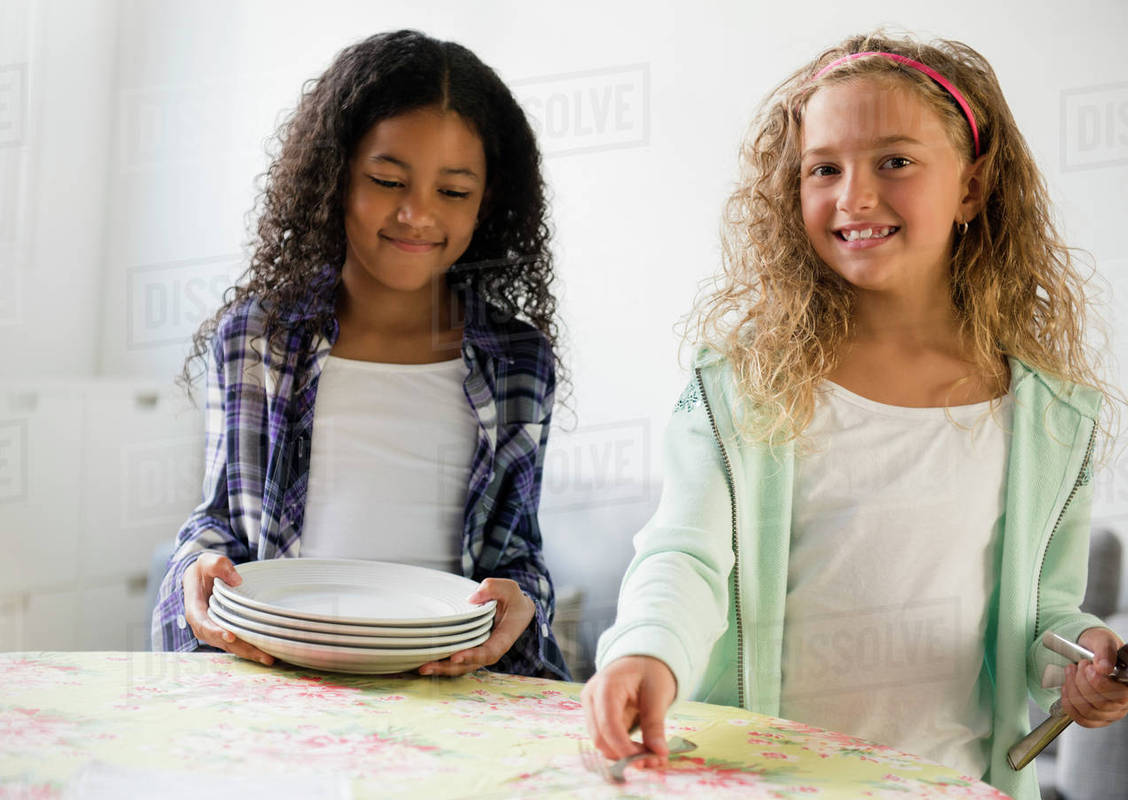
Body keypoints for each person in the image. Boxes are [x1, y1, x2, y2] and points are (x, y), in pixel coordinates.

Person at [581, 31, 1127, 798]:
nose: (855, 196)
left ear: (971, 187)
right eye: (824, 169)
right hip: (765, 783)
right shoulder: (745, 382)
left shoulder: (1050, 414)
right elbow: (686, 557)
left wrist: (1083, 657)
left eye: (895, 162)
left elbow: (1043, 611)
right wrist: (646, 651)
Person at [150, 29, 569, 681]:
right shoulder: (259, 340)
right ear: (335, 175)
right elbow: (217, 527)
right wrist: (194, 578)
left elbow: (515, 558)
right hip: (284, 676)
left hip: (445, 689)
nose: (417, 215)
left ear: (489, 202)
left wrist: (526, 604)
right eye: (387, 179)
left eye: (453, 192)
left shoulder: (519, 360)